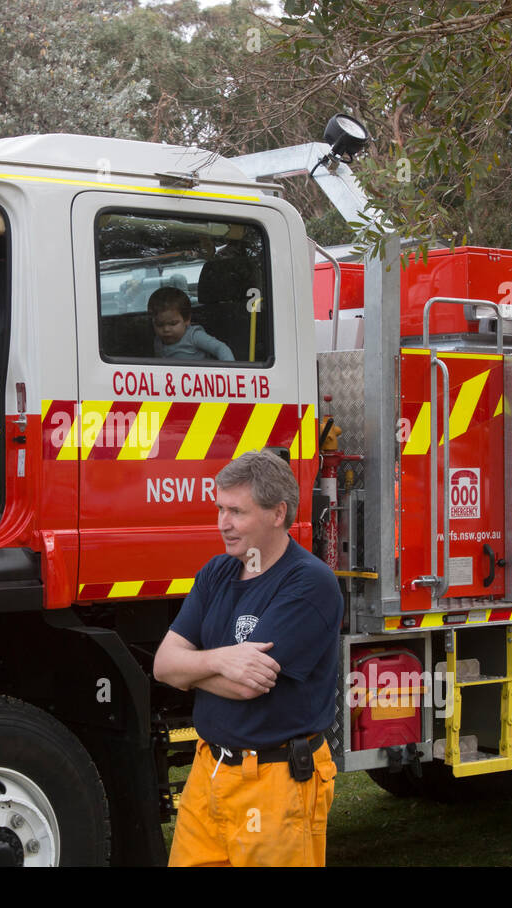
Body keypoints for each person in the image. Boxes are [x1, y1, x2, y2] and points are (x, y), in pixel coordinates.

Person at [153, 450, 342, 866]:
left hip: (276, 784)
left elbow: (247, 685)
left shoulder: (309, 583)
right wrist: (223, 660)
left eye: (236, 511)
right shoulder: (217, 572)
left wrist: (194, 667)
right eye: (220, 508)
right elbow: (164, 665)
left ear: (278, 513)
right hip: (210, 773)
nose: (223, 523)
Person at [149, 286, 233, 362]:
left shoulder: (194, 336)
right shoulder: (158, 342)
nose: (166, 329)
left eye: (173, 324)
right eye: (159, 324)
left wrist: (229, 370)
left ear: (187, 320)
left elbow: (220, 348)